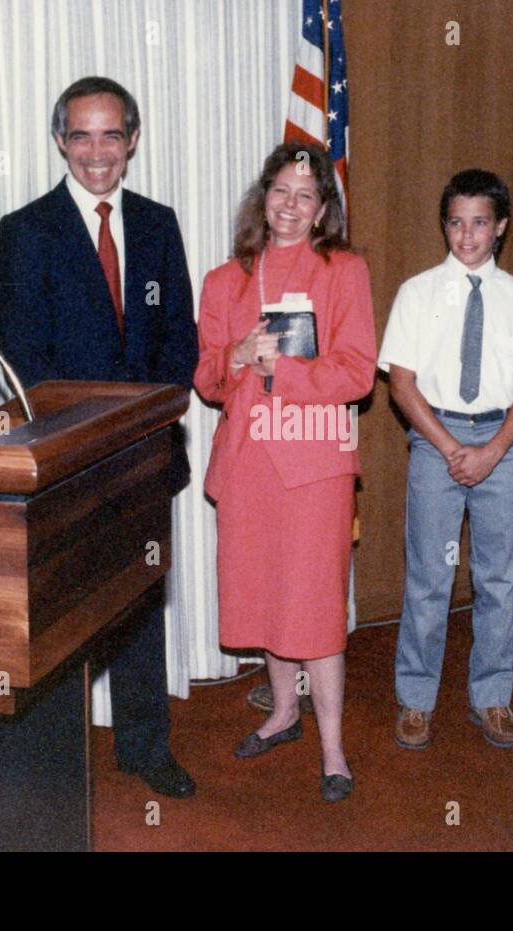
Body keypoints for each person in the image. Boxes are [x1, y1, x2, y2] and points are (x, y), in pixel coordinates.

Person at [0, 77, 198, 800]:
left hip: (146, 456)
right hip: (69, 463)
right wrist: (87, 437)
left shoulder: (158, 223)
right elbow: (26, 360)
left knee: (141, 600)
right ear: (59, 141)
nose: (96, 151)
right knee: (66, 613)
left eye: (112, 134)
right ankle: (58, 766)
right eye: (81, 135)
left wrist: (144, 423)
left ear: (133, 140)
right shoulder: (27, 230)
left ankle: (145, 746)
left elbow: (181, 340)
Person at [194, 141, 375, 802]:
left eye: (306, 195)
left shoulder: (343, 271)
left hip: (316, 464)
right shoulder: (224, 280)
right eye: (280, 191)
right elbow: (208, 381)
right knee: (267, 595)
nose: (290, 207)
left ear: (323, 206)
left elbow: (358, 372)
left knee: (316, 606)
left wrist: (285, 372)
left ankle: (333, 747)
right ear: (262, 196)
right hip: (248, 465)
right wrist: (238, 356)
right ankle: (282, 712)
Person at [378, 169, 513, 751]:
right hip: (437, 440)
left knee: (498, 578)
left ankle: (492, 696)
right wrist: (452, 448)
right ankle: (415, 699)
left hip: (503, 444)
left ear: (500, 227)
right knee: (430, 576)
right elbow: (402, 385)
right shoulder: (417, 291)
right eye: (455, 222)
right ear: (445, 225)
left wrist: (492, 451)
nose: (466, 235)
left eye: (480, 222)